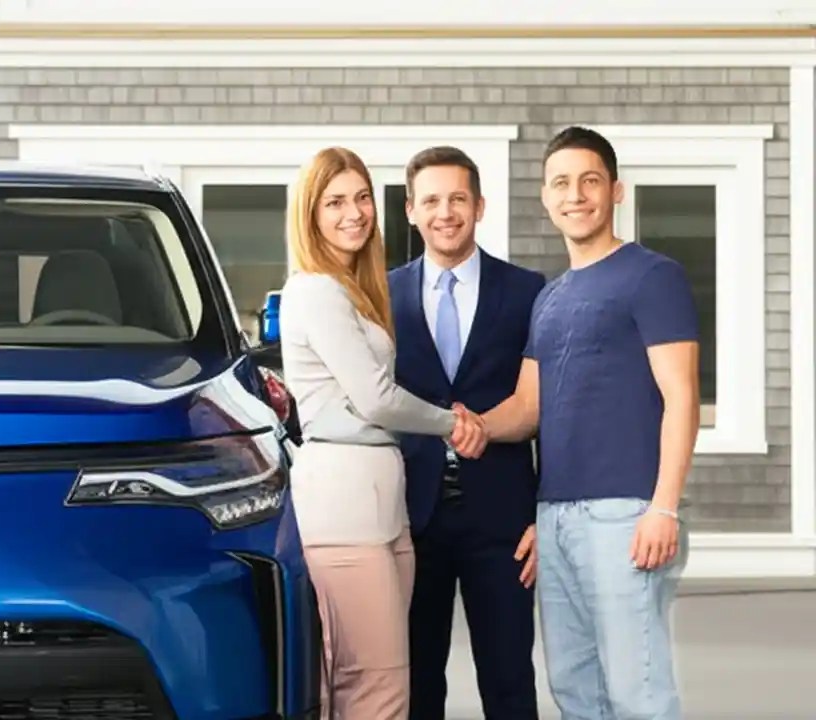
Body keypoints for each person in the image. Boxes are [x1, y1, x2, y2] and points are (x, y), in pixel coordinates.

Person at [483, 126, 699, 720]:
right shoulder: (549, 298)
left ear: (616, 191)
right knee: (576, 689)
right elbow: (526, 409)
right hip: (556, 519)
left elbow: (682, 397)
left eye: (589, 181)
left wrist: (663, 507)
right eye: (561, 183)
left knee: (637, 693)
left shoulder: (652, 276)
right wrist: (455, 424)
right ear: (545, 198)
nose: (574, 194)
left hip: (626, 514)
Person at [279, 146, 486, 720]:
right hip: (344, 499)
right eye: (336, 202)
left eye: (363, 197)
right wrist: (453, 423)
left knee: (365, 683)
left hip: (381, 503)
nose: (355, 213)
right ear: (310, 214)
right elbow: (376, 397)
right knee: (378, 689)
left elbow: (369, 402)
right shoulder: (317, 289)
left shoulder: (351, 289)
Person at [388, 146, 545, 720]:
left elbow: (548, 408)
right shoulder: (383, 296)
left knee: (508, 683)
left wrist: (542, 513)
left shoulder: (528, 291)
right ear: (410, 210)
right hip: (410, 521)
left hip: (502, 521)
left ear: (480, 205)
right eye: (431, 200)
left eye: (457, 198)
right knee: (418, 685)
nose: (445, 212)